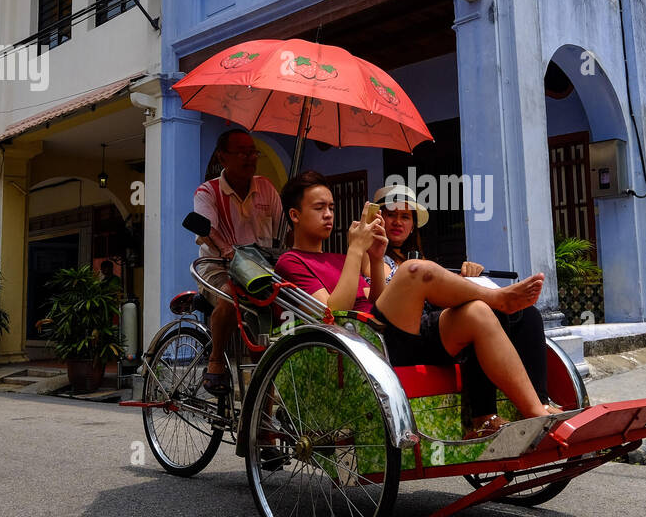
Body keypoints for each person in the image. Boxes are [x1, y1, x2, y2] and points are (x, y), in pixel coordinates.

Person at [274, 171, 560, 431]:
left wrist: (374, 259)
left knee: (478, 313)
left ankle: (536, 412)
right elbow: (332, 314)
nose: (328, 215)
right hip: (365, 344)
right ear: (295, 215)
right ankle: (499, 297)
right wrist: (357, 250)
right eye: (319, 208)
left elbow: (375, 300)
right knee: (416, 271)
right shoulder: (292, 261)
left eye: (331, 208)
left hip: (393, 332)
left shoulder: (339, 258)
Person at [373, 184, 551, 438]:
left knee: (525, 315)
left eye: (405, 216)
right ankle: (498, 298)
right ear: (376, 216)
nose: (397, 222)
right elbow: (375, 307)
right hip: (391, 335)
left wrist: (467, 278)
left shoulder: (420, 259)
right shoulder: (368, 253)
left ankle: (538, 406)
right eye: (391, 214)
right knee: (419, 272)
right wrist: (373, 256)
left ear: (413, 224)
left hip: (429, 331)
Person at [192, 129, 281, 406]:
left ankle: (263, 424)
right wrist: (228, 249)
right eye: (241, 151)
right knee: (231, 299)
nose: (249, 157)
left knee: (274, 326)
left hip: (261, 268)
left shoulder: (266, 187)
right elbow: (204, 228)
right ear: (223, 156)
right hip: (218, 266)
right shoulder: (208, 191)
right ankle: (216, 360)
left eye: (252, 151)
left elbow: (282, 233)